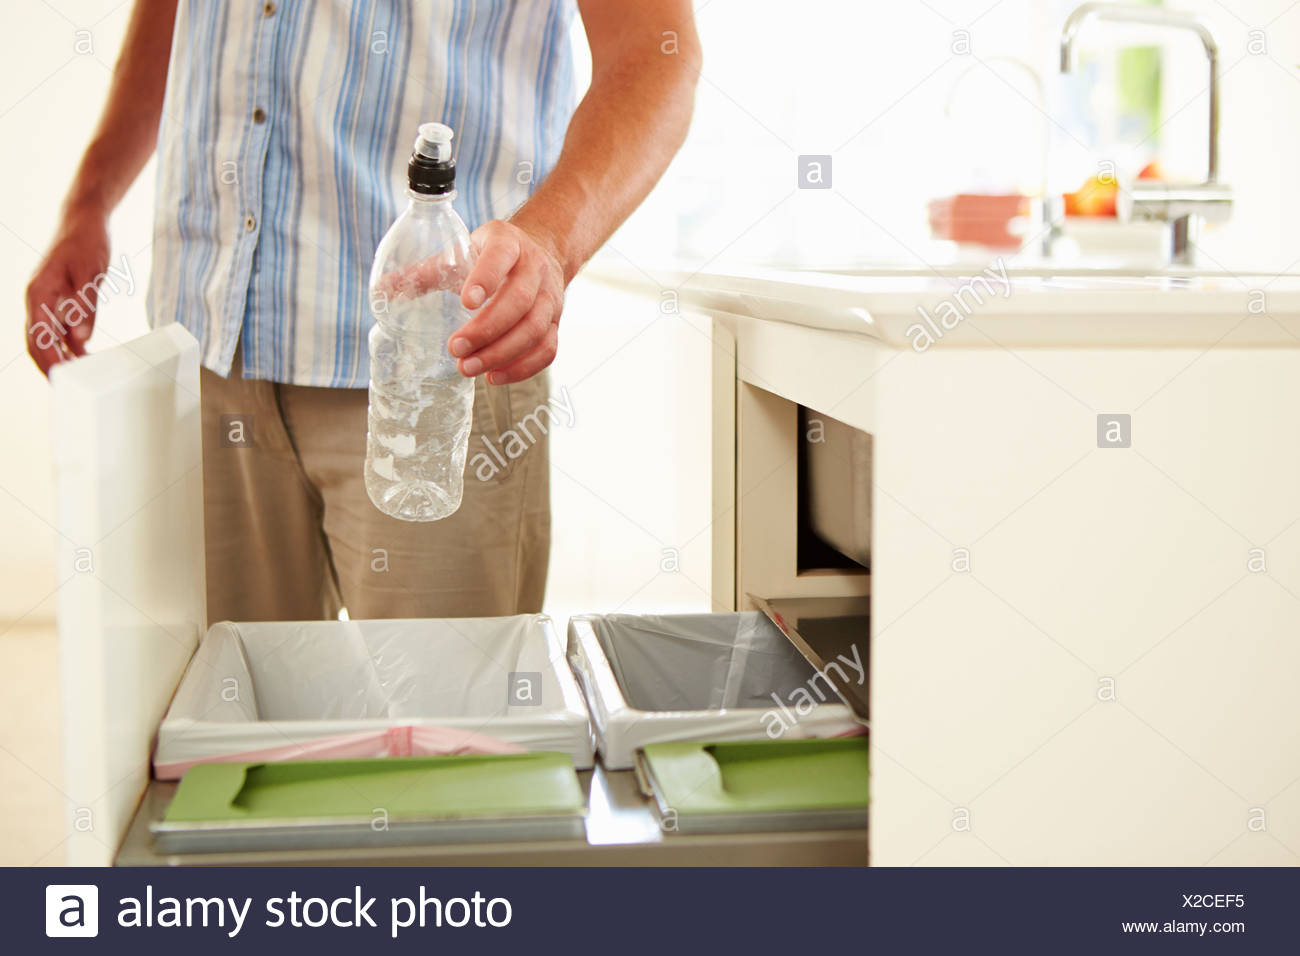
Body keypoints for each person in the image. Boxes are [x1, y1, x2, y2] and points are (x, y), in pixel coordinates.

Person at [25, 0, 700, 624]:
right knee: (226, 732)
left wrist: (552, 242)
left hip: (438, 376)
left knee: (441, 735)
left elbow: (654, 50)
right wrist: (90, 200)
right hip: (205, 353)